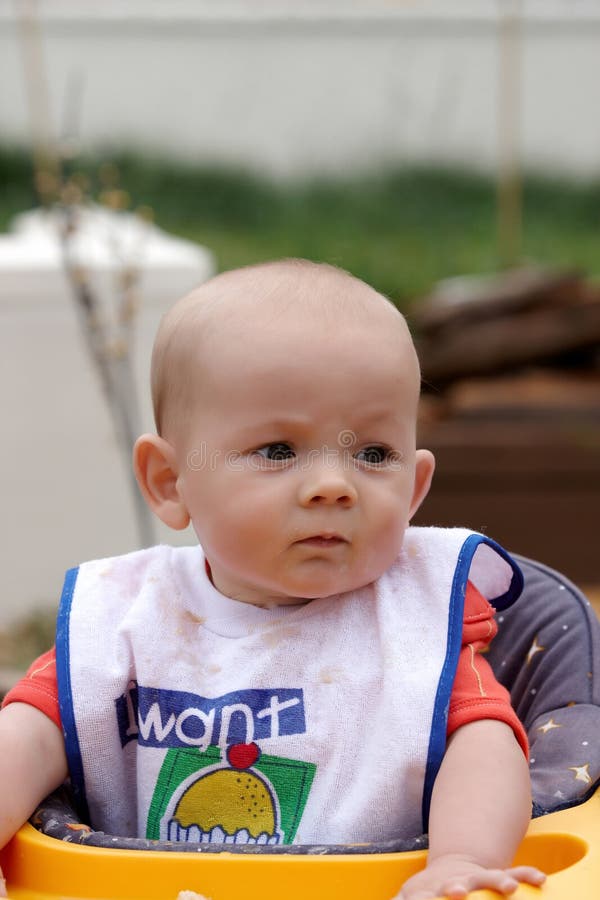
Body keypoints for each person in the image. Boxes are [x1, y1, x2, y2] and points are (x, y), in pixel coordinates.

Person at [0, 260, 545, 900]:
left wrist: (458, 859)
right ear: (171, 483)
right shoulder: (124, 620)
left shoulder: (416, 623)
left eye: (373, 455)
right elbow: (27, 737)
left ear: (416, 488)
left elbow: (485, 743)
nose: (333, 486)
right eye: (278, 451)